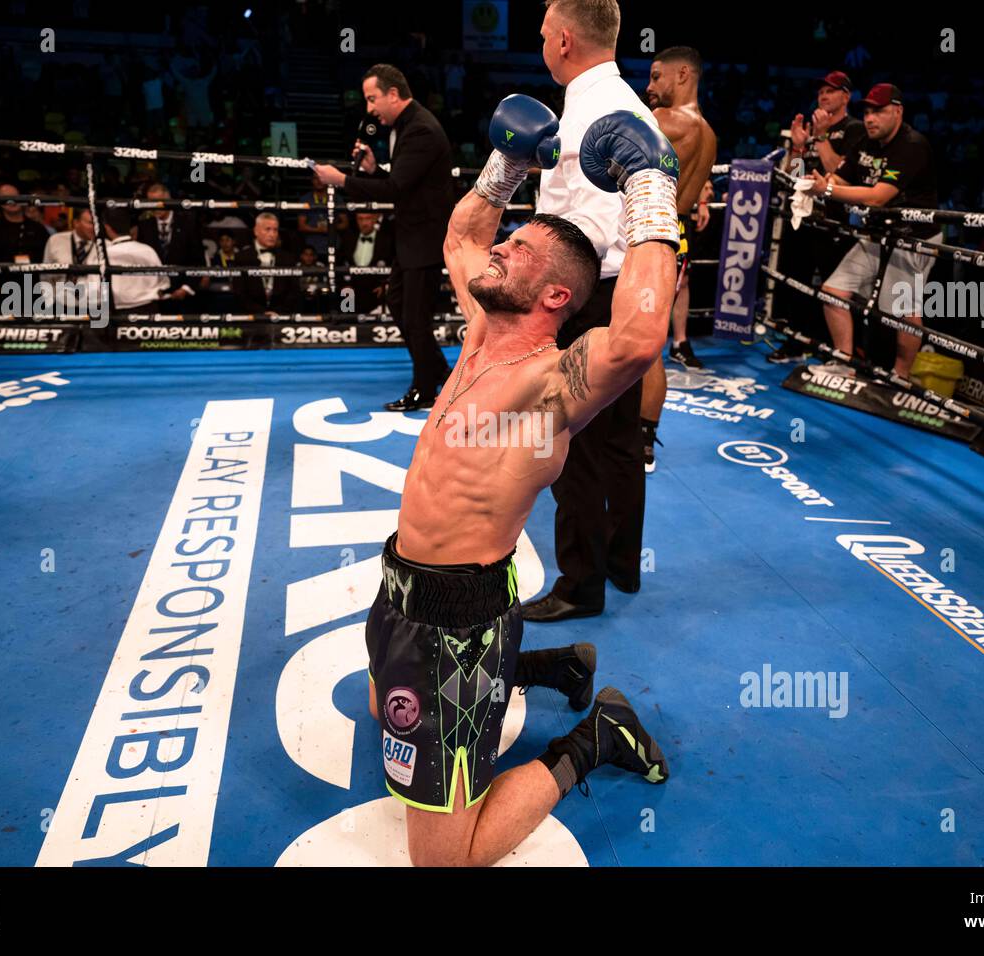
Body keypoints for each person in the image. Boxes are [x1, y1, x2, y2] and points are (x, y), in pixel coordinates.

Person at [365, 94, 676, 866]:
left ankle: (599, 734)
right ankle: (550, 667)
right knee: (381, 708)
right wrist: (506, 166)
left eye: (523, 250)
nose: (501, 247)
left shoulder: (546, 385)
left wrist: (650, 185)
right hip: (400, 583)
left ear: (557, 298)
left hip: (459, 623)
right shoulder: (482, 324)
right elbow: (462, 232)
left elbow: (638, 336)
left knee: (447, 860)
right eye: (514, 234)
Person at [521, 0, 658, 622]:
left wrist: (549, 295)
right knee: (620, 438)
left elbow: (594, 230)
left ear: (566, 40)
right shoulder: (620, 100)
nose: (542, 43)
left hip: (591, 292)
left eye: (545, 33)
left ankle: (581, 584)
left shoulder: (593, 110)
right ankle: (621, 565)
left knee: (570, 438)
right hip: (620, 287)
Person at [313, 64, 454, 411]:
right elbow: (405, 179)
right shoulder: (406, 126)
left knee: (415, 317)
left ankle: (425, 389)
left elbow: (394, 189)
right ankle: (436, 369)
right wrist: (372, 170)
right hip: (412, 236)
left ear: (393, 94)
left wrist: (341, 181)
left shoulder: (420, 129)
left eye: (372, 99)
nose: (369, 109)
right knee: (397, 303)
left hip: (426, 237)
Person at [806, 83, 940, 379]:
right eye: (866, 111)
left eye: (878, 111)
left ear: (898, 112)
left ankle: (901, 377)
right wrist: (817, 183)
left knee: (904, 312)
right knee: (833, 292)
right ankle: (844, 362)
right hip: (877, 233)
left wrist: (827, 189)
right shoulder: (866, 143)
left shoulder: (912, 145)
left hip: (914, 238)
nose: (869, 118)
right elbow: (840, 177)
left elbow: (879, 196)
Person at [636, 45, 718, 474]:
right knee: (649, 344)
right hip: (678, 237)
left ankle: (637, 441)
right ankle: (644, 437)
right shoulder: (708, 132)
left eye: (655, 77)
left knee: (641, 346)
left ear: (683, 74)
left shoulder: (665, 121)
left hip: (649, 235)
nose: (649, 88)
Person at [769, 70, 867, 364]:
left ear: (846, 96)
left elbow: (840, 171)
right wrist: (799, 146)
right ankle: (796, 341)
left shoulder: (855, 130)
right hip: (803, 219)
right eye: (821, 91)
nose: (823, 96)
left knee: (831, 287)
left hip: (834, 222)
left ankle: (833, 348)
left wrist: (821, 137)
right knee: (795, 282)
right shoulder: (811, 129)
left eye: (831, 91)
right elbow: (795, 176)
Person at [99, 208, 167, 313]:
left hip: (115, 312)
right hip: (147, 311)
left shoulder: (103, 255)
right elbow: (163, 283)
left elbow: (94, 292)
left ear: (107, 228)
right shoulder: (148, 250)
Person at [231, 212, 296, 314]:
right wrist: (261, 313)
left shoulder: (288, 258)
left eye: (275, 230)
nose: (272, 234)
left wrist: (277, 312)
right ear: (256, 231)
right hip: (251, 317)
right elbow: (239, 292)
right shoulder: (242, 257)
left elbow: (293, 291)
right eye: (267, 229)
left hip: (282, 317)